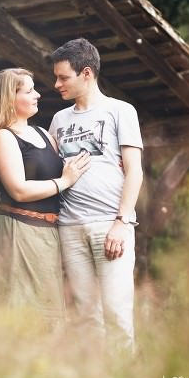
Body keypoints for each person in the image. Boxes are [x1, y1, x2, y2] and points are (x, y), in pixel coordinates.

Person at [47, 38, 144, 352]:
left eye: (63, 77)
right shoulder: (59, 120)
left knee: (117, 311)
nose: (56, 84)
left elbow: (135, 171)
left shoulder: (120, 111)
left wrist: (121, 221)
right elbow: (47, 167)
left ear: (86, 73)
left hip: (110, 226)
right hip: (70, 227)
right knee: (87, 315)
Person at [0, 67, 90, 329]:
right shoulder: (3, 137)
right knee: (22, 309)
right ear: (10, 98)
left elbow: (69, 168)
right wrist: (64, 182)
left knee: (50, 311)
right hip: (20, 228)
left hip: (49, 232)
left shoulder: (44, 134)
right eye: (29, 91)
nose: (38, 95)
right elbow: (19, 190)